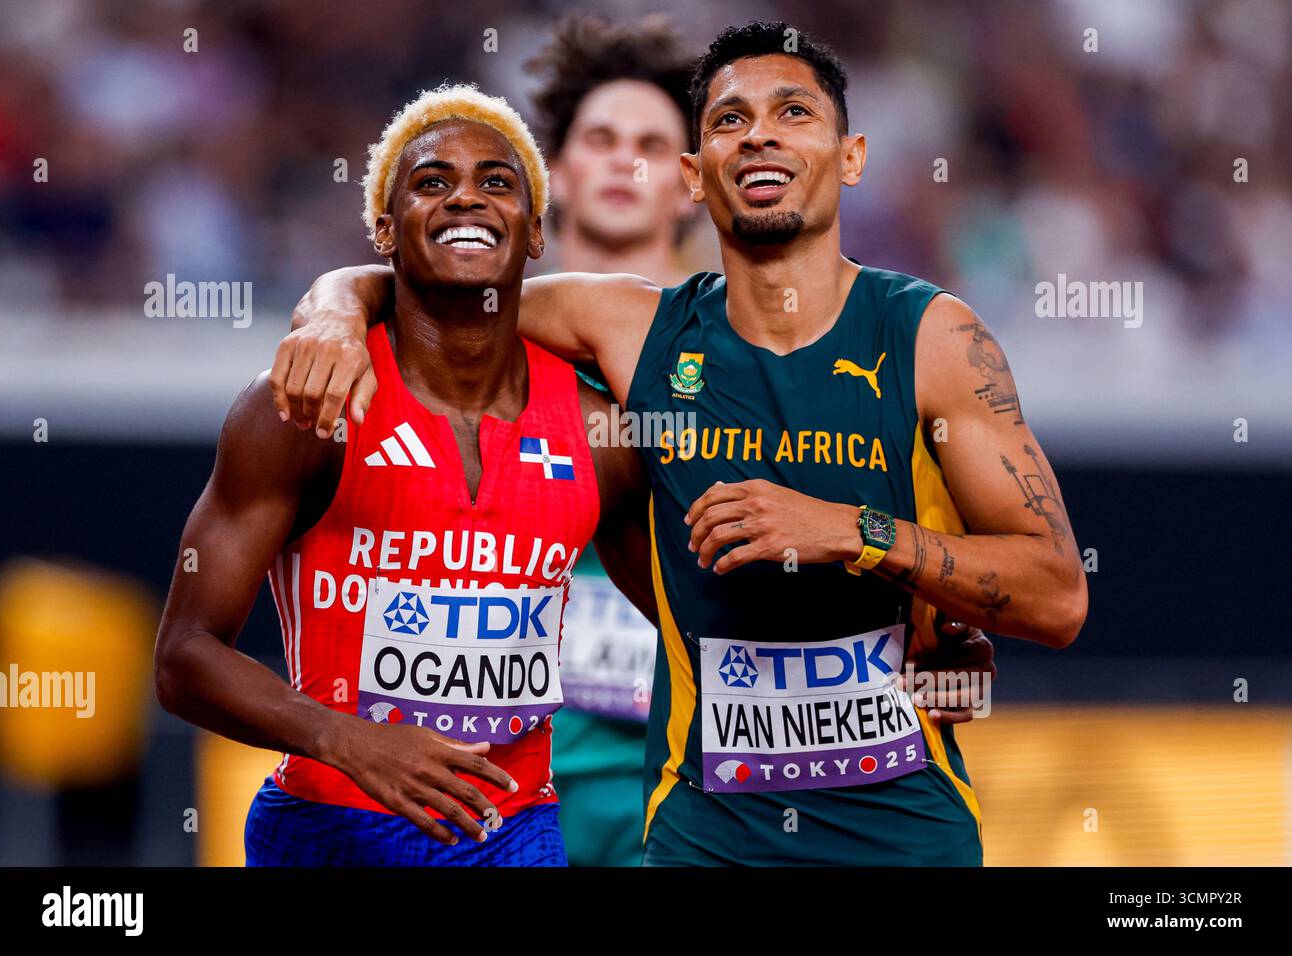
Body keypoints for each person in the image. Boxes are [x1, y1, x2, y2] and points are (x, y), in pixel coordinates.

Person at [273, 21, 1083, 865]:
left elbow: (1057, 598)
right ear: (697, 177)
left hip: (905, 835)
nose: (760, 133)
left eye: (794, 112)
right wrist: (333, 309)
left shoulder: (933, 337)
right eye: (730, 120)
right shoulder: (626, 330)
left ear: (852, 157)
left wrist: (858, 536)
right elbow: (426, 286)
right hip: (680, 835)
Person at [154, 83, 655, 866]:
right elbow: (183, 656)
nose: (467, 196)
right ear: (384, 229)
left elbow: (694, 622)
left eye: (498, 182)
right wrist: (344, 738)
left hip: (512, 829)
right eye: (432, 182)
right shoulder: (304, 406)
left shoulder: (601, 431)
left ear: (533, 236)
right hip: (328, 826)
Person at [520, 13, 699, 868]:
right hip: (501, 804)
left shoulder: (745, 356)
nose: (625, 160)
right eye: (601, 137)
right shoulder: (471, 350)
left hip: (687, 803)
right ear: (554, 171)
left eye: (653, 144)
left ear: (690, 183)